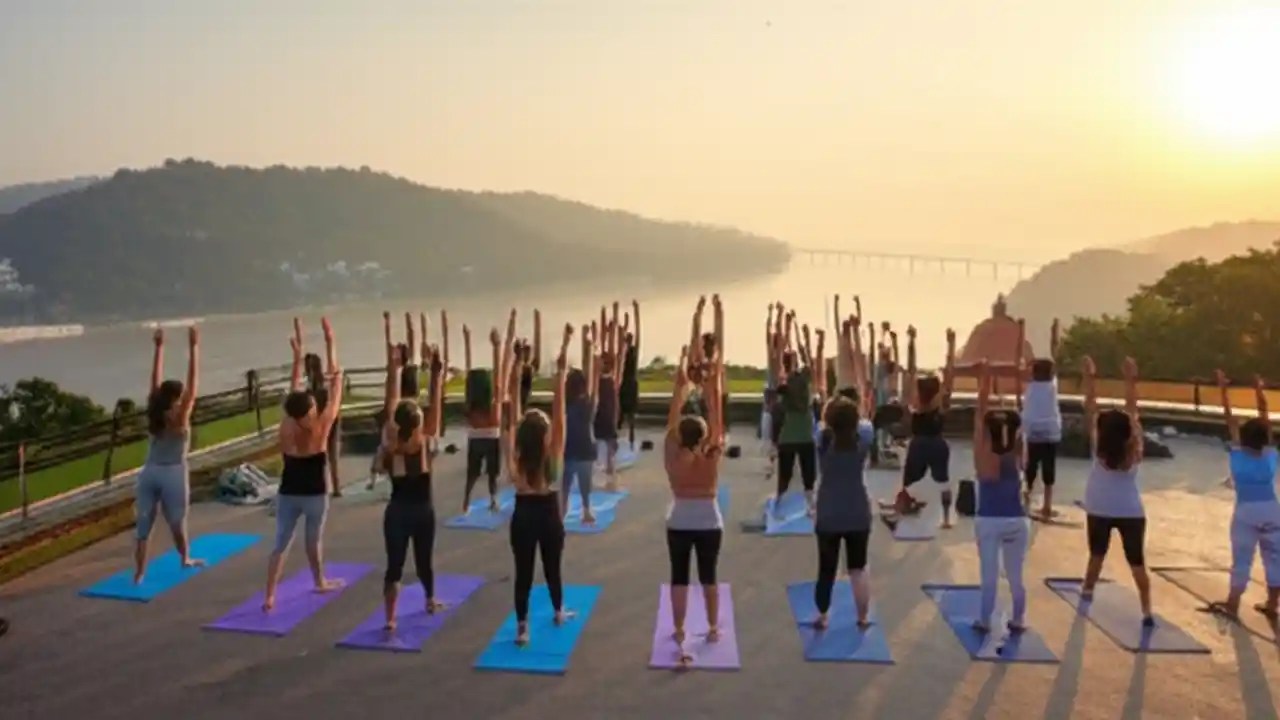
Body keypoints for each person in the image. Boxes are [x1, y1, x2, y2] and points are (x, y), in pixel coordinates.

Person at [264, 318, 345, 611]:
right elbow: (336, 386)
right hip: (314, 495)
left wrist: (297, 358)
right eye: (312, 404)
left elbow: (293, 392)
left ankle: (270, 595)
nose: (315, 404)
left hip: (288, 493)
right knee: (313, 542)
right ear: (309, 411)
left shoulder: (286, 426)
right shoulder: (321, 427)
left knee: (280, 545)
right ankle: (319, 581)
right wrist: (330, 341)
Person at [505, 321, 574, 646]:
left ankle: (522, 628)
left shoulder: (517, 461)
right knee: (552, 569)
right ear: (545, 435)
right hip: (548, 515)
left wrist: (517, 369)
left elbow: (512, 415)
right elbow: (560, 414)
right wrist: (561, 370)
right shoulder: (553, 460)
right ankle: (558, 611)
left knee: (523, 573)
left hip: (523, 515)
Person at [665, 300, 726, 664]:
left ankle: (678, 627)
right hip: (709, 520)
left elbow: (674, 420)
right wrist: (714, 382)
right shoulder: (712, 454)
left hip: (679, 521)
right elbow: (716, 410)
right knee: (709, 577)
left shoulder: (672, 453)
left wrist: (679, 387)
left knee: (678, 578)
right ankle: (714, 626)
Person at [377, 311, 446, 632]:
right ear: (416, 424)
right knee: (417, 564)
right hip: (419, 512)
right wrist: (435, 373)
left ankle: (394, 617)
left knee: (399, 566)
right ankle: (425, 601)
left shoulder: (391, 445)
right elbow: (434, 407)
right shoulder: (424, 444)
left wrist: (395, 368)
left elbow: (392, 403)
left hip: (399, 513)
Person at [811, 317, 875, 629]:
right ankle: (863, 617)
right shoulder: (864, 437)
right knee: (858, 568)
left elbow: (823, 394)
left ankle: (822, 616)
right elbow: (861, 399)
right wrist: (854, 342)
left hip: (829, 513)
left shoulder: (823, 438)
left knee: (826, 568)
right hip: (858, 511)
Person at [1079, 355, 1153, 625]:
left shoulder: (1099, 447)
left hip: (1099, 507)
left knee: (1096, 554)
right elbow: (1133, 412)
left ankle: (1087, 591)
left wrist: (1090, 377)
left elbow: (1090, 406)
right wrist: (1131, 379)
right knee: (1137, 563)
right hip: (1131, 511)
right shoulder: (1134, 448)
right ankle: (1147, 610)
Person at [1205, 370, 1280, 620]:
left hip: (1246, 511)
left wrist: (1223, 390)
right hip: (1272, 509)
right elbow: (1265, 420)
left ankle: (1233, 603)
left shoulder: (1238, 455)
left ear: (1244, 438)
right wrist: (1259, 392)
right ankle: (1272, 604)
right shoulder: (1270, 456)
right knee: (1274, 557)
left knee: (1242, 558)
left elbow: (1229, 419)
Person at [134, 325, 203, 584]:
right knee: (177, 522)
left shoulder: (155, 410)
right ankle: (185, 558)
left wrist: (158, 348)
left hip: (149, 470)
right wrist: (194, 348)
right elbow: (193, 388)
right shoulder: (179, 416)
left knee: (143, 526)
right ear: (177, 398)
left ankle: (139, 573)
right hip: (173, 471)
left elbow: (154, 380)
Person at [971, 359, 1030, 633]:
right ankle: (1018, 620)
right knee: (1016, 576)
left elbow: (979, 416)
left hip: (989, 521)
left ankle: (984, 621)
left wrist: (984, 381)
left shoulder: (983, 456)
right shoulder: (1017, 452)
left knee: (990, 576)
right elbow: (1019, 420)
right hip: (1018, 520)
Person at [898, 327, 957, 527]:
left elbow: (911, 370)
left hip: (919, 446)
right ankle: (946, 518)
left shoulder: (918, 403)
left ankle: (906, 505)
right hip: (938, 445)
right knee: (943, 482)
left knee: (909, 481)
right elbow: (950, 374)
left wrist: (912, 341)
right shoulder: (940, 403)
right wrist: (951, 343)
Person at [294, 316, 346, 499]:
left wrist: (328, 336)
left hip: (327, 418)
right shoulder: (315, 383)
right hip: (326, 418)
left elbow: (300, 360)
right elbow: (299, 360)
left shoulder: (322, 381)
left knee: (327, 453)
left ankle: (333, 486)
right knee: (329, 453)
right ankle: (334, 487)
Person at [461, 323, 506, 513]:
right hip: (489, 437)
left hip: (478, 437)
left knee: (474, 474)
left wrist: (467, 340)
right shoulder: (490, 407)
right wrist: (496, 347)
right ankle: (492, 500)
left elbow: (470, 372)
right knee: (491, 474)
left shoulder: (472, 407)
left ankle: (467, 502)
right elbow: (497, 378)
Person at [562, 324, 601, 524]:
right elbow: (591, 376)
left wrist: (586, 345)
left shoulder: (574, 403)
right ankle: (581, 509)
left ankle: (574, 508)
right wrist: (589, 345)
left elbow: (590, 376)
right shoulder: (583, 403)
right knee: (575, 483)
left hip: (575, 448)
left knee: (569, 482)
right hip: (581, 448)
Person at [1022, 357, 1062, 517]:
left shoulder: (1030, 387)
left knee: (1029, 469)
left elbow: (1024, 372)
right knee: (1049, 470)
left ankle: (1025, 503)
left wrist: (1030, 361)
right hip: (1050, 433)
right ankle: (1047, 505)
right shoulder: (1053, 386)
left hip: (1032, 432)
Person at [618, 301, 641, 449]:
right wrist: (625, 322)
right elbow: (619, 337)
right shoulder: (621, 351)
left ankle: (631, 442)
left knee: (631, 417)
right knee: (620, 414)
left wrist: (636, 312)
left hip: (631, 383)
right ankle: (616, 439)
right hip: (624, 383)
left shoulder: (634, 351)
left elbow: (639, 333)